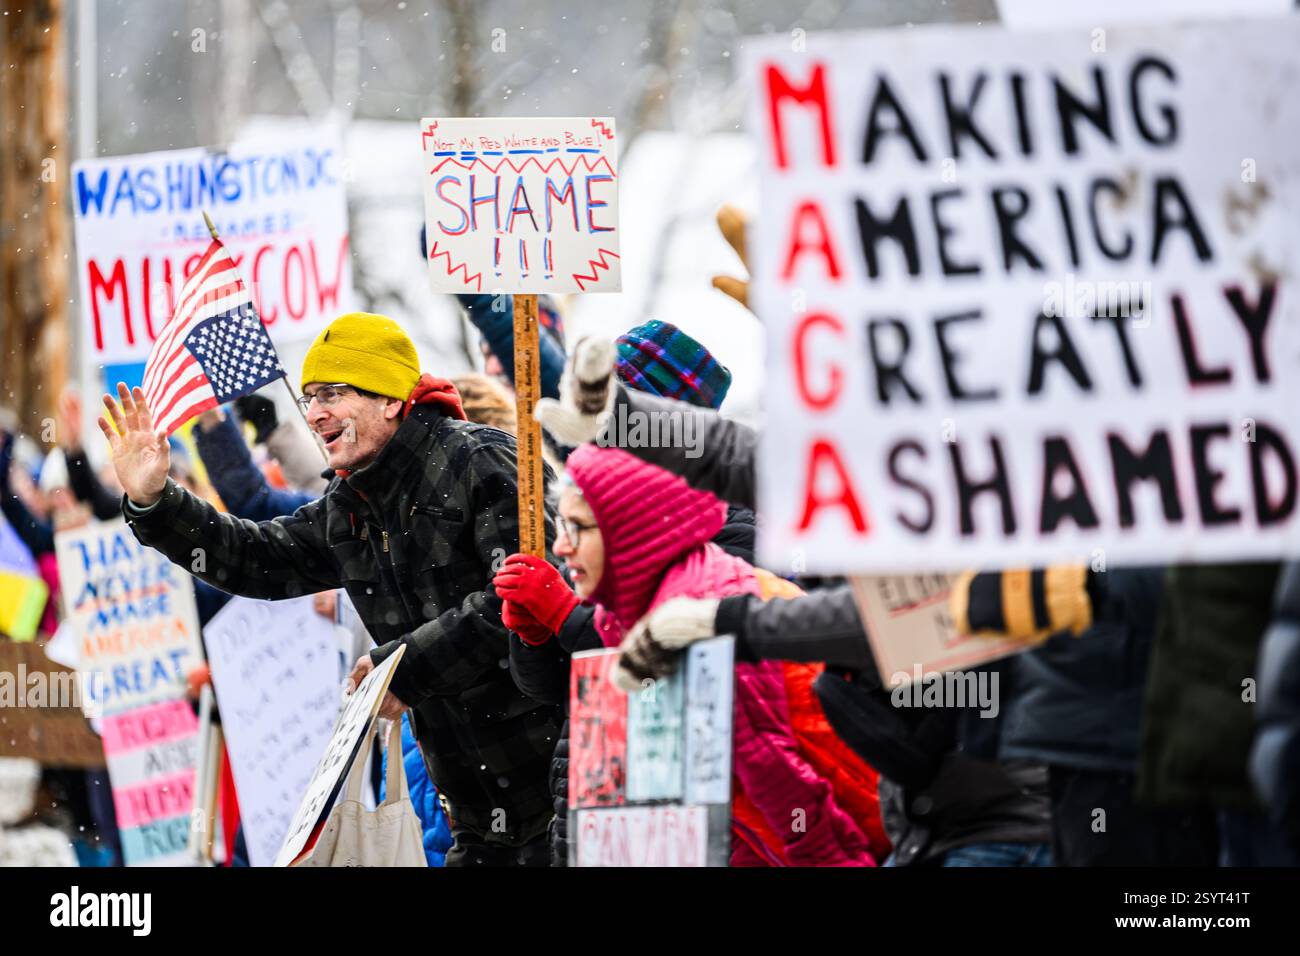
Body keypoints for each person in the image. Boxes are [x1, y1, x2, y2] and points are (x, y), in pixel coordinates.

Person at [99, 311, 563, 867]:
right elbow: (255, 557)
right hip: (472, 817)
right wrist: (155, 501)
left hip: (560, 795)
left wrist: (403, 668)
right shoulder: (351, 503)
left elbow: (518, 599)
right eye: (310, 395)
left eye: (332, 394)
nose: (314, 413)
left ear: (390, 400)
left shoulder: (481, 460)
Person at [499, 444, 880, 866]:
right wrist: (536, 634)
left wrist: (564, 615)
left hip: (837, 830)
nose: (562, 548)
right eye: (562, 528)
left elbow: (780, 781)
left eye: (580, 529)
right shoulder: (645, 602)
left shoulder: (699, 609)